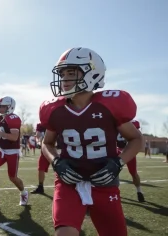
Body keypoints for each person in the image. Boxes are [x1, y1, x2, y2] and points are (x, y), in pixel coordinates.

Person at [41, 47, 143, 236]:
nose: (64, 79)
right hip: (68, 181)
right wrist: (56, 162)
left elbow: (136, 139)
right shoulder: (55, 109)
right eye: (62, 74)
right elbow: (47, 143)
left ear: (92, 73)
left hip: (104, 182)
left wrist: (118, 163)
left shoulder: (110, 105)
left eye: (71, 73)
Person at [117, 119, 145, 202]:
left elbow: (138, 136)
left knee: (133, 172)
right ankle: (114, 192)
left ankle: (139, 191)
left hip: (128, 150)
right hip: (117, 150)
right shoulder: (113, 119)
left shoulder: (134, 122)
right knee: (112, 172)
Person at [31, 123, 51, 194]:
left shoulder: (56, 121)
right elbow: (38, 135)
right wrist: (39, 142)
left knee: (61, 168)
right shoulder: (40, 125)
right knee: (41, 168)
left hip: (57, 149)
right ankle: (40, 187)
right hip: (45, 149)